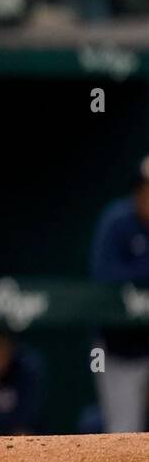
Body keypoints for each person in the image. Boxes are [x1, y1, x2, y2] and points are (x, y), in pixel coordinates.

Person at [89, 156, 149, 433]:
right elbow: (105, 276)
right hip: (119, 349)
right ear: (137, 191)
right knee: (125, 431)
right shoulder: (117, 221)